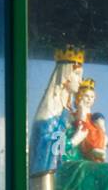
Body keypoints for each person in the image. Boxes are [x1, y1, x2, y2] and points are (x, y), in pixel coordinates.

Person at [30, 46, 84, 176]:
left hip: (68, 163)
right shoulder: (49, 114)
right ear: (65, 75)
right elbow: (47, 148)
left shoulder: (66, 111)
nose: (80, 81)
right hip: (49, 171)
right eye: (77, 74)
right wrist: (74, 140)